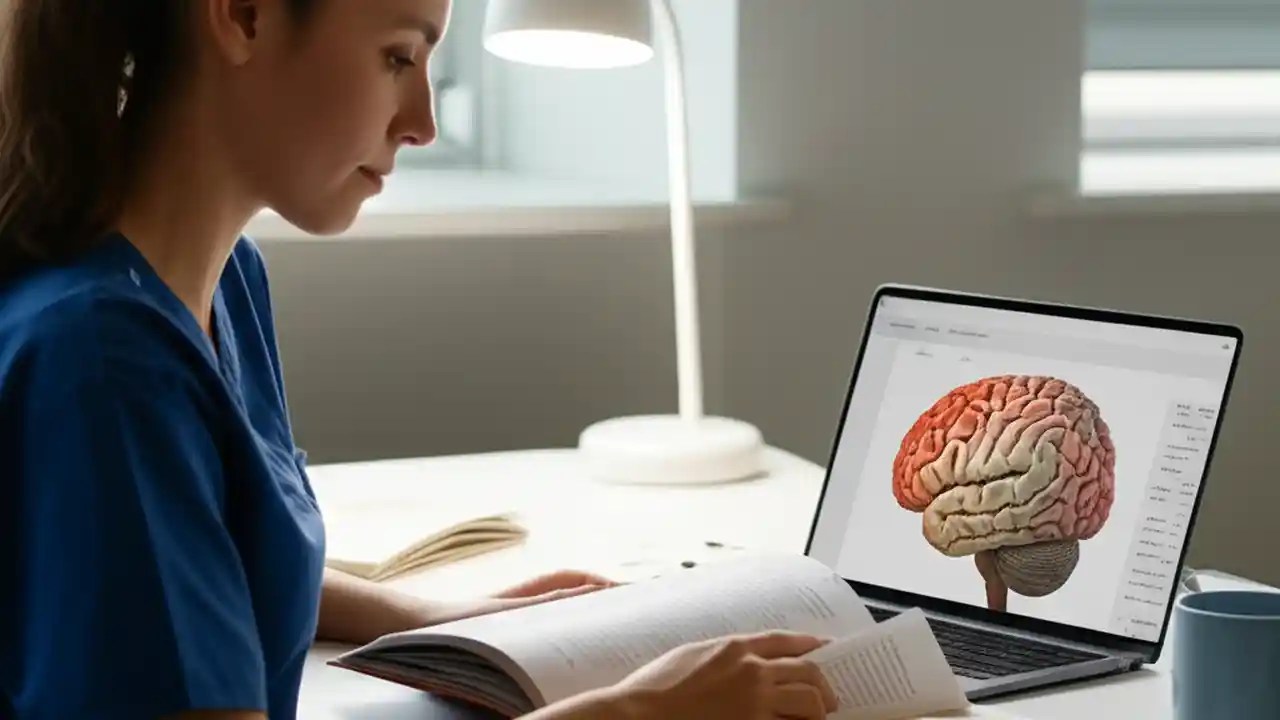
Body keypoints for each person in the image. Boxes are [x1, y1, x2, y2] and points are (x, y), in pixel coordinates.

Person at [0, 1, 841, 718]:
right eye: (396, 55)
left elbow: (189, 564)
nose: (424, 122)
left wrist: (429, 614)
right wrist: (636, 710)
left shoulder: (220, 283)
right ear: (246, 14)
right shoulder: (104, 362)